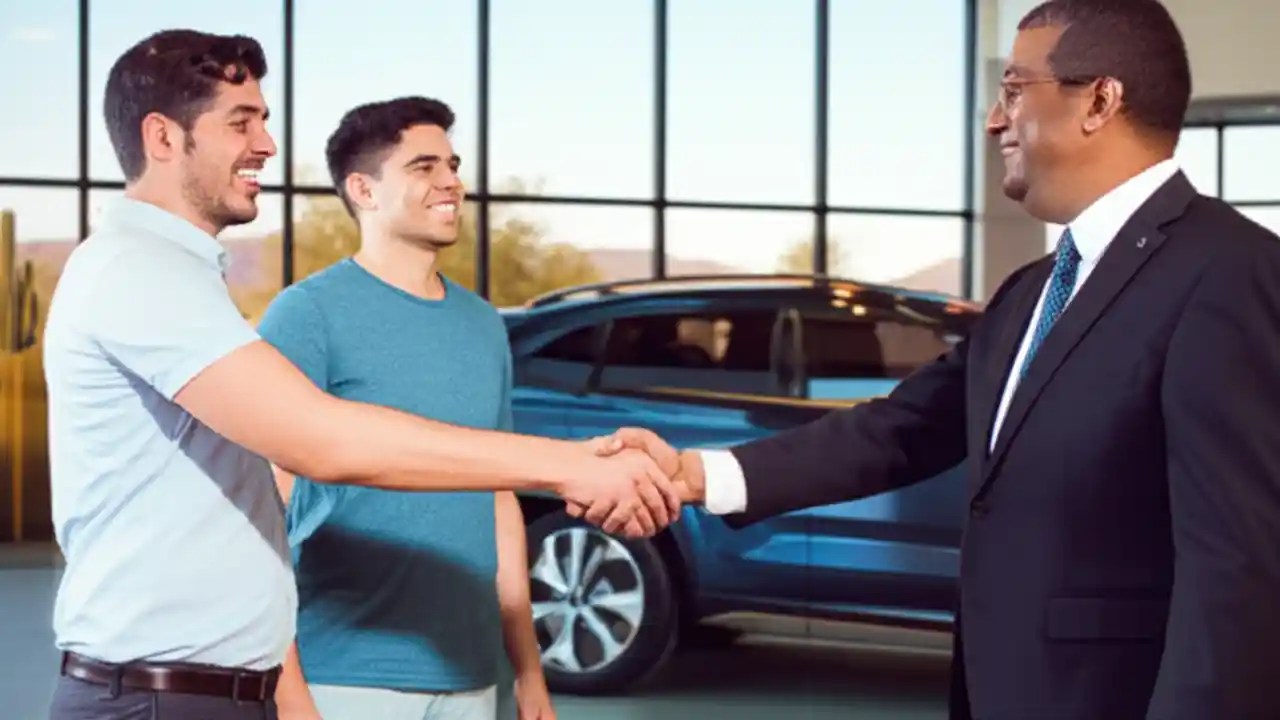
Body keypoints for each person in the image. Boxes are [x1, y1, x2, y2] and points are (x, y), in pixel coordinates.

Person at [601, 1, 1280, 718]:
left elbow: (1239, 575)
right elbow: (900, 430)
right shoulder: (1033, 290)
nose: (994, 119)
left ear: (1100, 101)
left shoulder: (1233, 273)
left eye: (1015, 90)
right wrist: (694, 474)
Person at [42, 29, 675, 720]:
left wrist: (526, 671)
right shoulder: (139, 270)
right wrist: (568, 464)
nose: (267, 145)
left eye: (264, 120)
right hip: (161, 699)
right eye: (240, 122)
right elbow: (321, 443)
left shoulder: (183, 280)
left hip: (212, 691)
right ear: (163, 138)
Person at [256, 96, 553, 720]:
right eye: (423, 167)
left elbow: (500, 498)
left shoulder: (483, 325)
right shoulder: (307, 316)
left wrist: (527, 673)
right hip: (345, 678)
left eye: (453, 163)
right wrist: (290, 695)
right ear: (362, 189)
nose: (451, 181)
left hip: (471, 676)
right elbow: (261, 513)